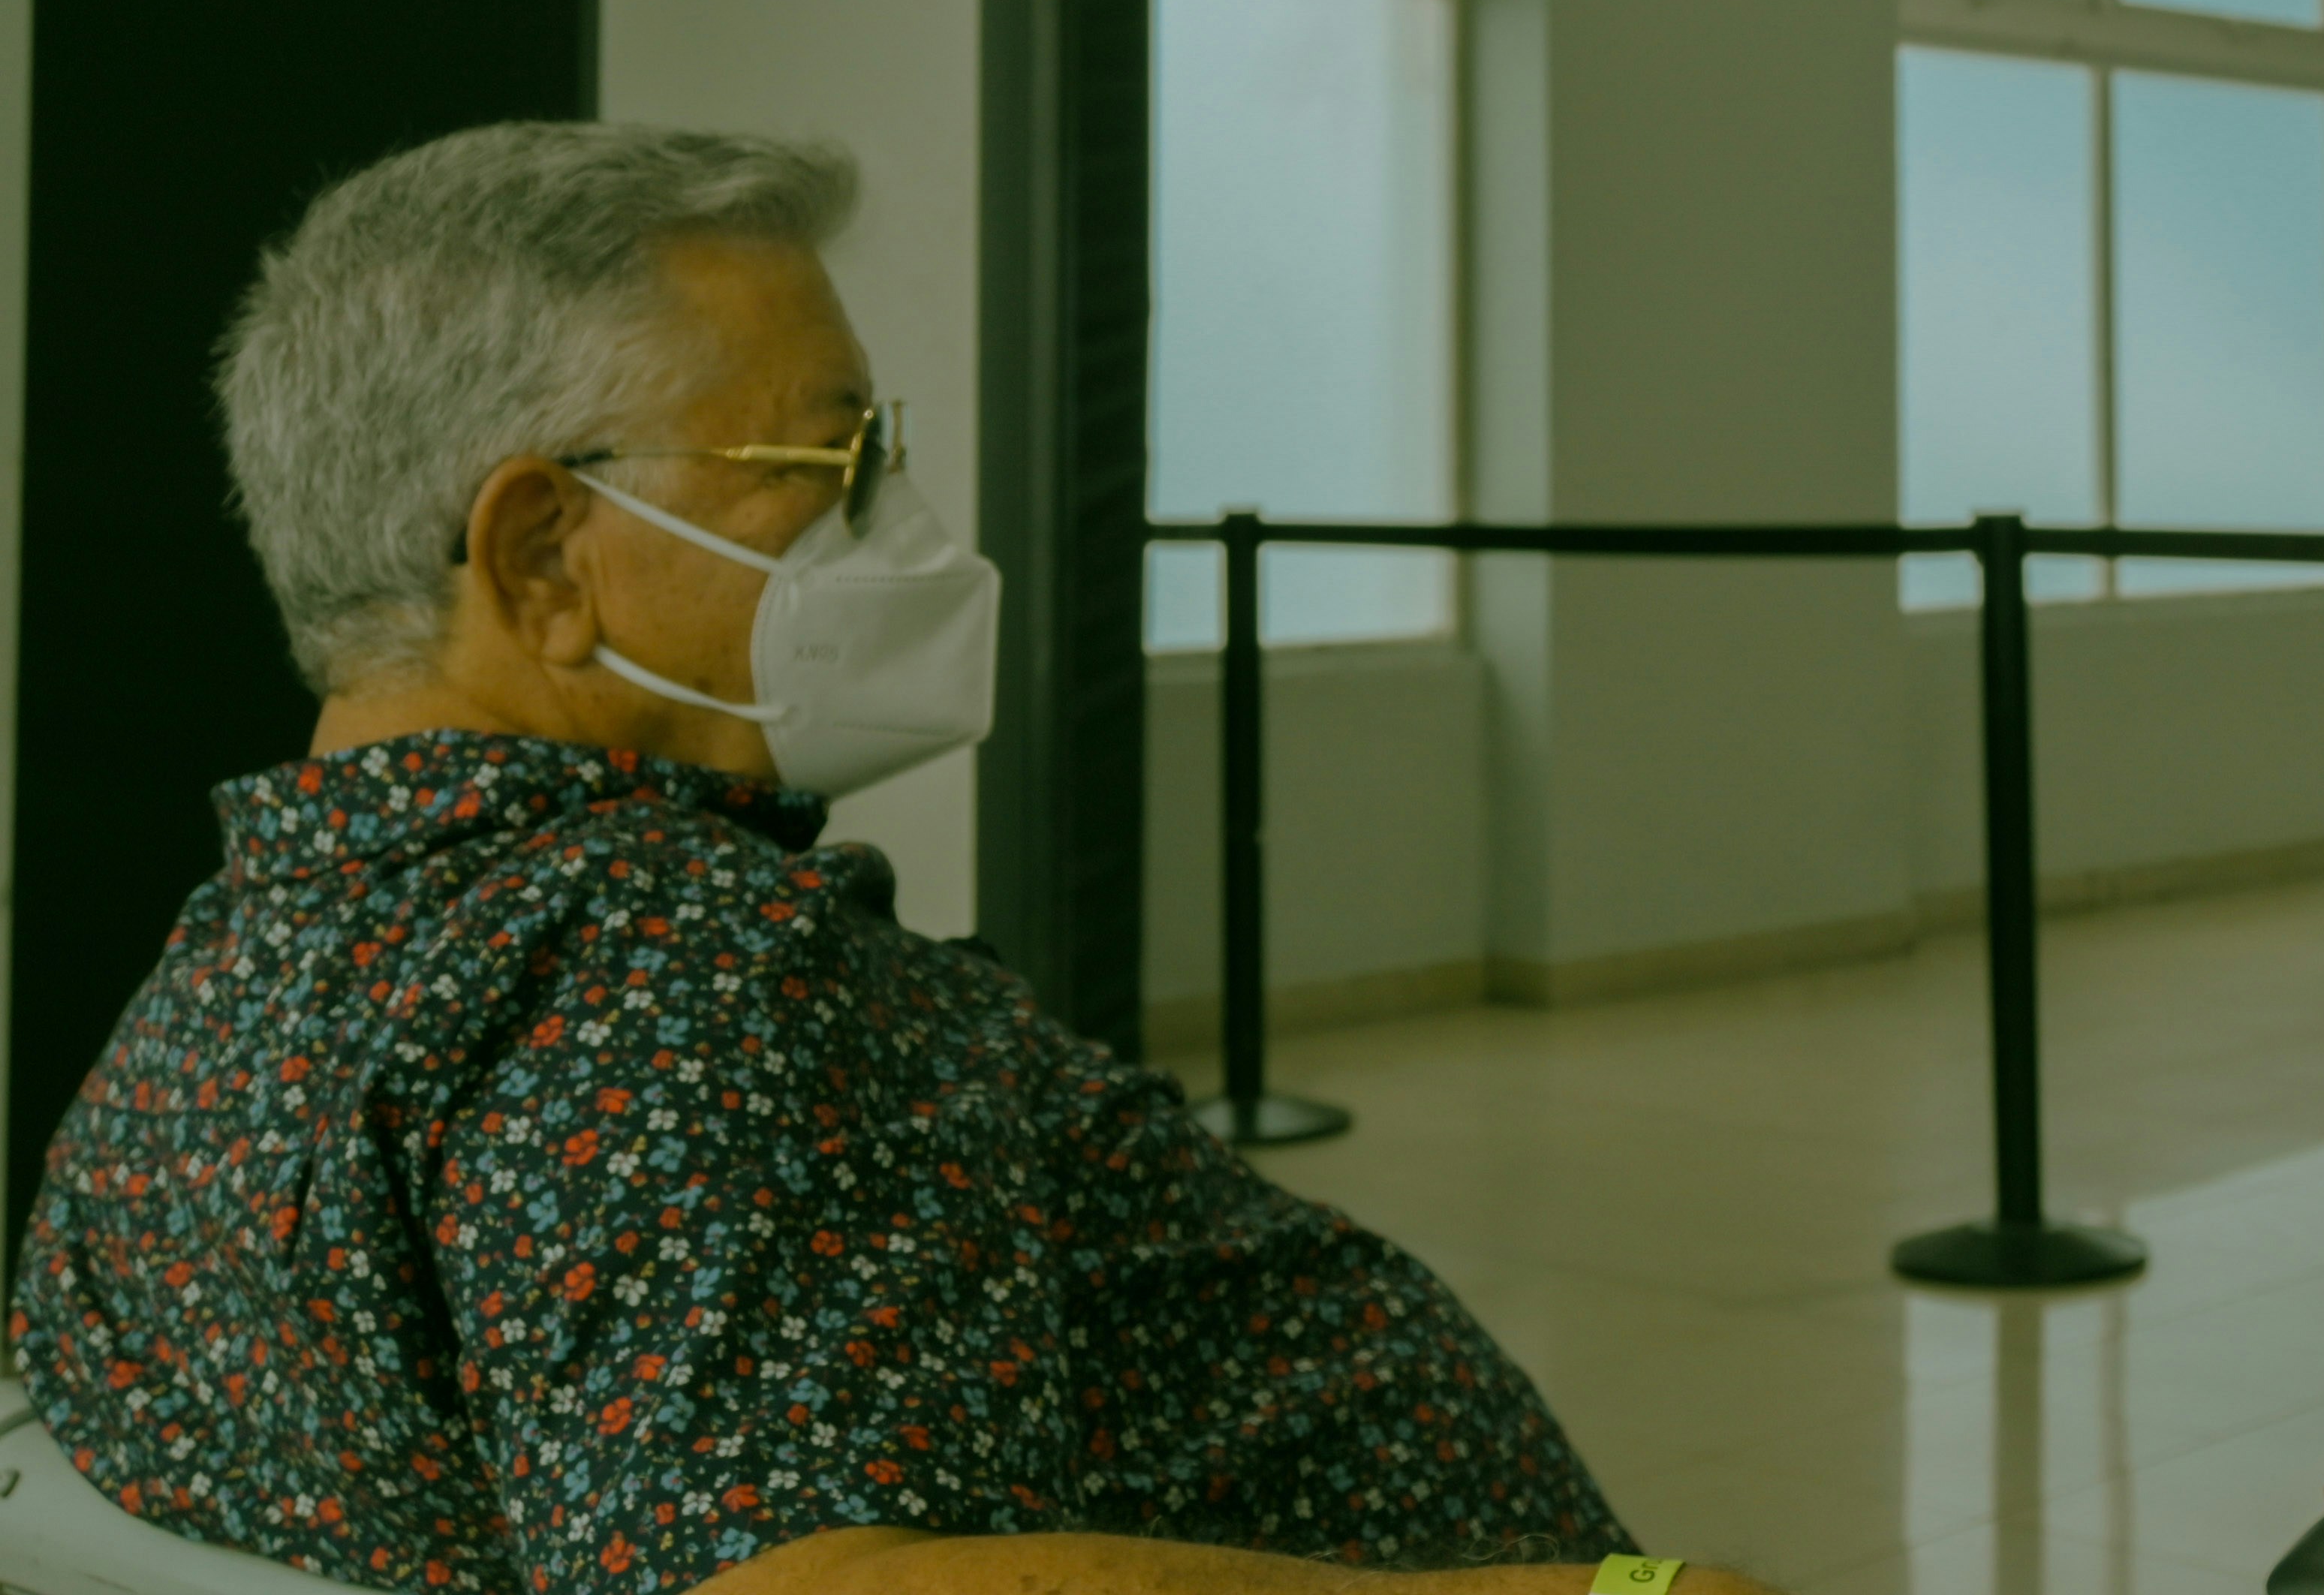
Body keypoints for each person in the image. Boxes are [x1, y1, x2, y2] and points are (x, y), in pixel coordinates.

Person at [14, 125, 1663, 1595]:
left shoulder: (247, 944)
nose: (908, 528)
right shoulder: (671, 963)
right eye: (835, 461)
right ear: (544, 556)